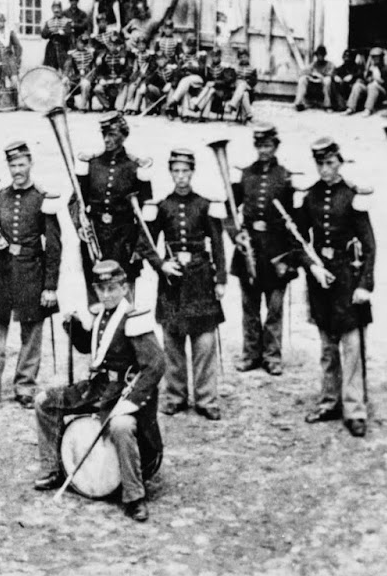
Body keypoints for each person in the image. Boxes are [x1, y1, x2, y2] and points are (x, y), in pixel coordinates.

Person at [32, 260, 165, 523]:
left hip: (124, 392)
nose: (106, 295)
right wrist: (74, 326)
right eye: (101, 289)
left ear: (124, 288)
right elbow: (90, 349)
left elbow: (155, 366)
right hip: (98, 387)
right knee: (44, 402)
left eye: (112, 288)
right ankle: (53, 468)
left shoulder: (134, 318)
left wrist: (132, 402)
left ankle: (133, 495)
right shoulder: (100, 313)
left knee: (121, 426)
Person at [0, 140, 60, 408]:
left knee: (31, 332)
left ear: (30, 164)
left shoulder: (43, 198)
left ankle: (25, 388)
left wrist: (50, 286)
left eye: (21, 164)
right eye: (13, 165)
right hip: (3, 270)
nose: (17, 169)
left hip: (31, 270)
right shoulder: (1, 195)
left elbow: (53, 246)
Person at [294, 138, 377, 438]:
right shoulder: (310, 197)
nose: (325, 169)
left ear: (340, 163)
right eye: (320, 164)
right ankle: (330, 401)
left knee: (352, 347)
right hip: (321, 280)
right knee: (328, 347)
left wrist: (365, 284)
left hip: (348, 278)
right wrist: (312, 266)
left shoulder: (352, 197)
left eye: (330, 163)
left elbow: (369, 245)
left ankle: (355, 409)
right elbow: (299, 239)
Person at [140, 148, 229, 419]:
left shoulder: (204, 205)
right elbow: (144, 242)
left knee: (204, 342)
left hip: (201, 279)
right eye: (176, 171)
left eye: (185, 171)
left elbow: (217, 244)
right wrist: (161, 264)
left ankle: (206, 399)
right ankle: (176, 396)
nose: (181, 177)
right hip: (173, 282)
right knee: (173, 341)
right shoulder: (162, 206)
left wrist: (221, 279)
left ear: (192, 172)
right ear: (170, 173)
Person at [231, 123, 297, 376]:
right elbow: (228, 210)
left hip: (277, 251)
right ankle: (250, 354)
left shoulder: (285, 177)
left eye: (268, 146)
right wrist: (236, 235)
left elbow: (295, 217)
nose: (264, 151)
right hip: (249, 249)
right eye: (260, 146)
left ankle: (272, 356)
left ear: (276, 146)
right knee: (249, 307)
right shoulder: (246, 174)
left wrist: (291, 254)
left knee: (275, 308)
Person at [72, 112, 152, 301]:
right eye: (104, 135)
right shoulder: (92, 164)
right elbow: (75, 200)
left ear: (123, 136)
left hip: (124, 239)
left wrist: (140, 247)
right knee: (96, 295)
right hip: (96, 235)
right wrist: (79, 226)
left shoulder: (135, 167)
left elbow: (146, 212)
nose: (107, 140)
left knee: (125, 295)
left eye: (113, 136)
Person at [345, 48, 387, 115]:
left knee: (372, 86)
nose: (374, 59)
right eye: (373, 57)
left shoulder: (386, 68)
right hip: (369, 88)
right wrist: (364, 79)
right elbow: (365, 79)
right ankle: (351, 107)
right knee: (357, 85)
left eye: (376, 57)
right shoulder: (370, 68)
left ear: (381, 57)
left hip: (381, 90)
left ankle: (368, 109)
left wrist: (375, 76)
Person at [62, 37, 98, 112]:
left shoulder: (90, 54)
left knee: (85, 84)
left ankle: (82, 107)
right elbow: (67, 66)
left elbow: (94, 69)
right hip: (76, 79)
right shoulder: (72, 54)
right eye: (80, 43)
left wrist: (89, 79)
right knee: (65, 83)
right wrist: (65, 76)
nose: (82, 45)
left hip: (87, 78)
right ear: (77, 43)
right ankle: (63, 106)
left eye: (84, 43)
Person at [295, 46, 335, 110]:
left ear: (324, 55)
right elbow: (303, 72)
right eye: (318, 55)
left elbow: (331, 75)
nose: (320, 57)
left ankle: (327, 105)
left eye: (322, 55)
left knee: (328, 80)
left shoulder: (330, 65)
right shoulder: (313, 64)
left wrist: (320, 76)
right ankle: (299, 103)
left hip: (323, 87)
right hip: (313, 86)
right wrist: (310, 75)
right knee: (302, 79)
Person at [42, 0, 74, 70]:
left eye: (58, 8)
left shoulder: (67, 21)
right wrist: (50, 31)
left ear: (61, 9)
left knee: (65, 67)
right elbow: (43, 34)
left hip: (63, 46)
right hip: (52, 47)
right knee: (50, 68)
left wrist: (63, 32)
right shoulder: (49, 22)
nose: (56, 11)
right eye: (54, 8)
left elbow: (69, 33)